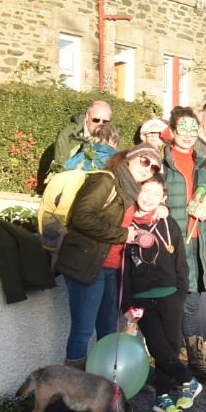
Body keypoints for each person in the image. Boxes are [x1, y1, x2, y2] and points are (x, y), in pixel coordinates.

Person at [57, 145, 154, 361]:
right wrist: (122, 235)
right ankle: (74, 388)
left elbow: (137, 216)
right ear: (130, 158)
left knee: (108, 330)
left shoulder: (132, 190)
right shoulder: (106, 180)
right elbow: (82, 216)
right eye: (145, 161)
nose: (149, 169)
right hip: (89, 264)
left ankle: (103, 385)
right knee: (83, 331)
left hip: (111, 268)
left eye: (155, 167)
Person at [121, 176, 198, 412]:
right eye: (146, 191)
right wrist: (127, 304)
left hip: (170, 294)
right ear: (137, 192)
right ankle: (188, 381)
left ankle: (163, 396)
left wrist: (181, 291)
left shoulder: (168, 222)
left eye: (156, 194)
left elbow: (181, 260)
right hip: (141, 296)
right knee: (156, 345)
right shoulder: (125, 225)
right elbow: (123, 269)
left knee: (172, 345)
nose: (149, 197)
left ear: (163, 199)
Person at [161, 107, 206, 386]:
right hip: (171, 241)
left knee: (196, 297)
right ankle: (189, 363)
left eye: (192, 130)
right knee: (184, 300)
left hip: (200, 241)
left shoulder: (203, 163)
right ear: (172, 132)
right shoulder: (161, 162)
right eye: (181, 130)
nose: (187, 135)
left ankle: (192, 359)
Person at [51, 99, 113, 172]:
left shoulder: (113, 137)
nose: (100, 124)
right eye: (96, 120)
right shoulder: (68, 136)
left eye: (105, 121)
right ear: (87, 116)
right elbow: (61, 170)